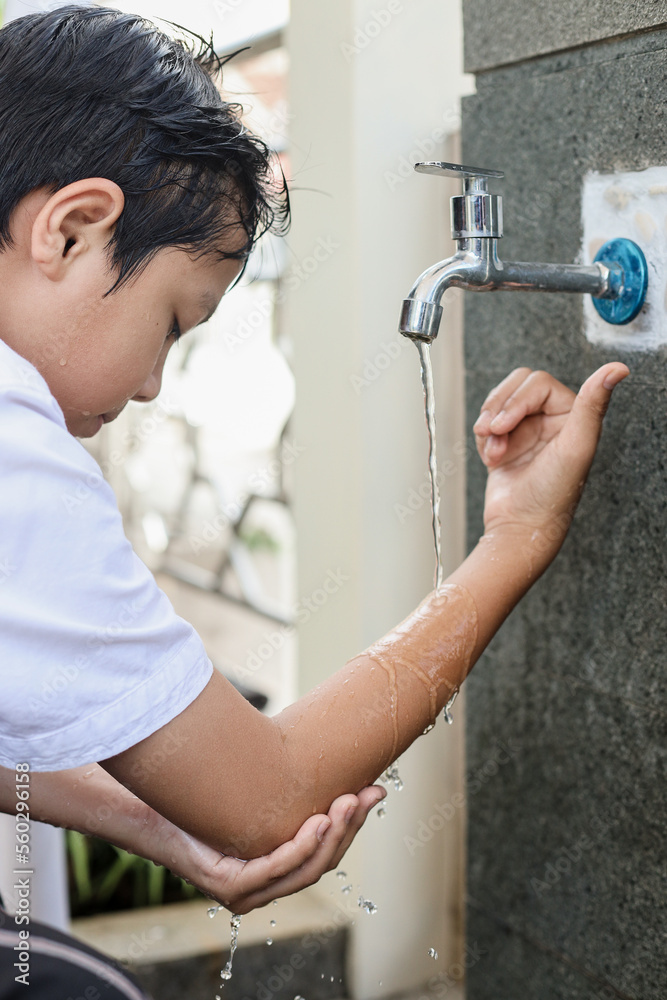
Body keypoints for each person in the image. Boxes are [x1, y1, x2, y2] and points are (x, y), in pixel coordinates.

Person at [0, 5, 629, 996]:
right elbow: (271, 795)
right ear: (72, 230)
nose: (157, 382)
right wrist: (515, 535)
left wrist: (152, 819)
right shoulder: (16, 452)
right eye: (173, 323)